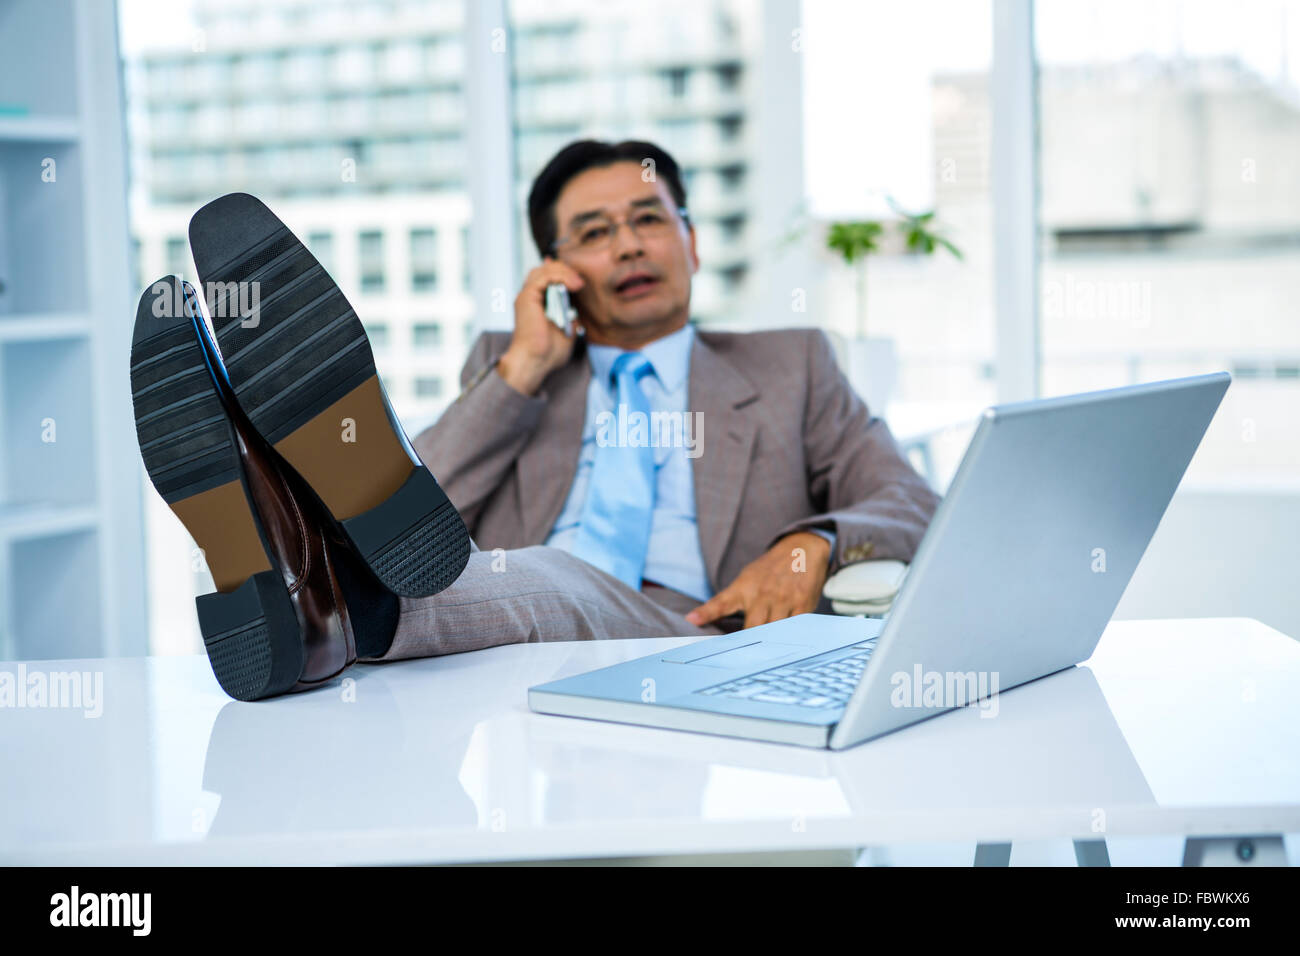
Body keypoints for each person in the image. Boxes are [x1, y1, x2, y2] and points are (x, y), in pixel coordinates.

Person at [378, 139, 941, 662]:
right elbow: (400, 526)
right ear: (556, 273)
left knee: (540, 577)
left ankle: (332, 625)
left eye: (648, 219)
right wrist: (522, 370)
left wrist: (814, 542)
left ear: (691, 243)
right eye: (594, 233)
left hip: (694, 636)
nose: (629, 246)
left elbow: (910, 499)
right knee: (501, 575)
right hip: (518, 646)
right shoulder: (511, 366)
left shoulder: (792, 367)